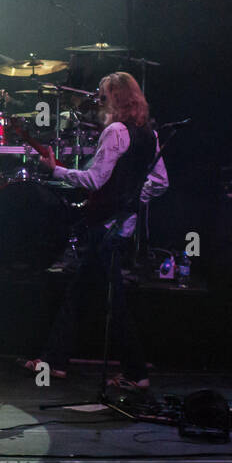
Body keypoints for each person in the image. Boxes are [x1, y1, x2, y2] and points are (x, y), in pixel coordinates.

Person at [28, 72, 168, 389]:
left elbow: (94, 180)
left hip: (105, 224)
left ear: (114, 98)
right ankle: (54, 361)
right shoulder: (150, 133)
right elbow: (161, 181)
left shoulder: (116, 131)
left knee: (113, 302)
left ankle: (136, 373)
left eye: (102, 96)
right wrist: (132, 200)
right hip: (120, 224)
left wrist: (57, 170)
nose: (98, 102)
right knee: (79, 294)